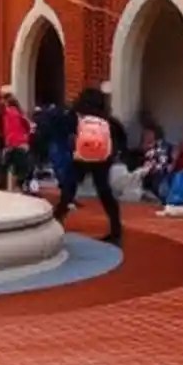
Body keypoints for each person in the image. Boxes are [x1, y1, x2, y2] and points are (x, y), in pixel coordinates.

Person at [53, 87, 123, 246]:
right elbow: (119, 136)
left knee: (69, 188)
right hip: (102, 159)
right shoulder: (106, 119)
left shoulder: (77, 114)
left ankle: (56, 221)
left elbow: (64, 129)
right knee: (105, 192)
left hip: (82, 156)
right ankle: (116, 230)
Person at [1, 94, 34, 193]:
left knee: (10, 168)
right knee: (21, 168)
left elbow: (6, 129)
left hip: (11, 143)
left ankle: (11, 188)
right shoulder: (20, 114)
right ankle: (19, 187)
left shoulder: (6, 114)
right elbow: (29, 127)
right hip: (22, 144)